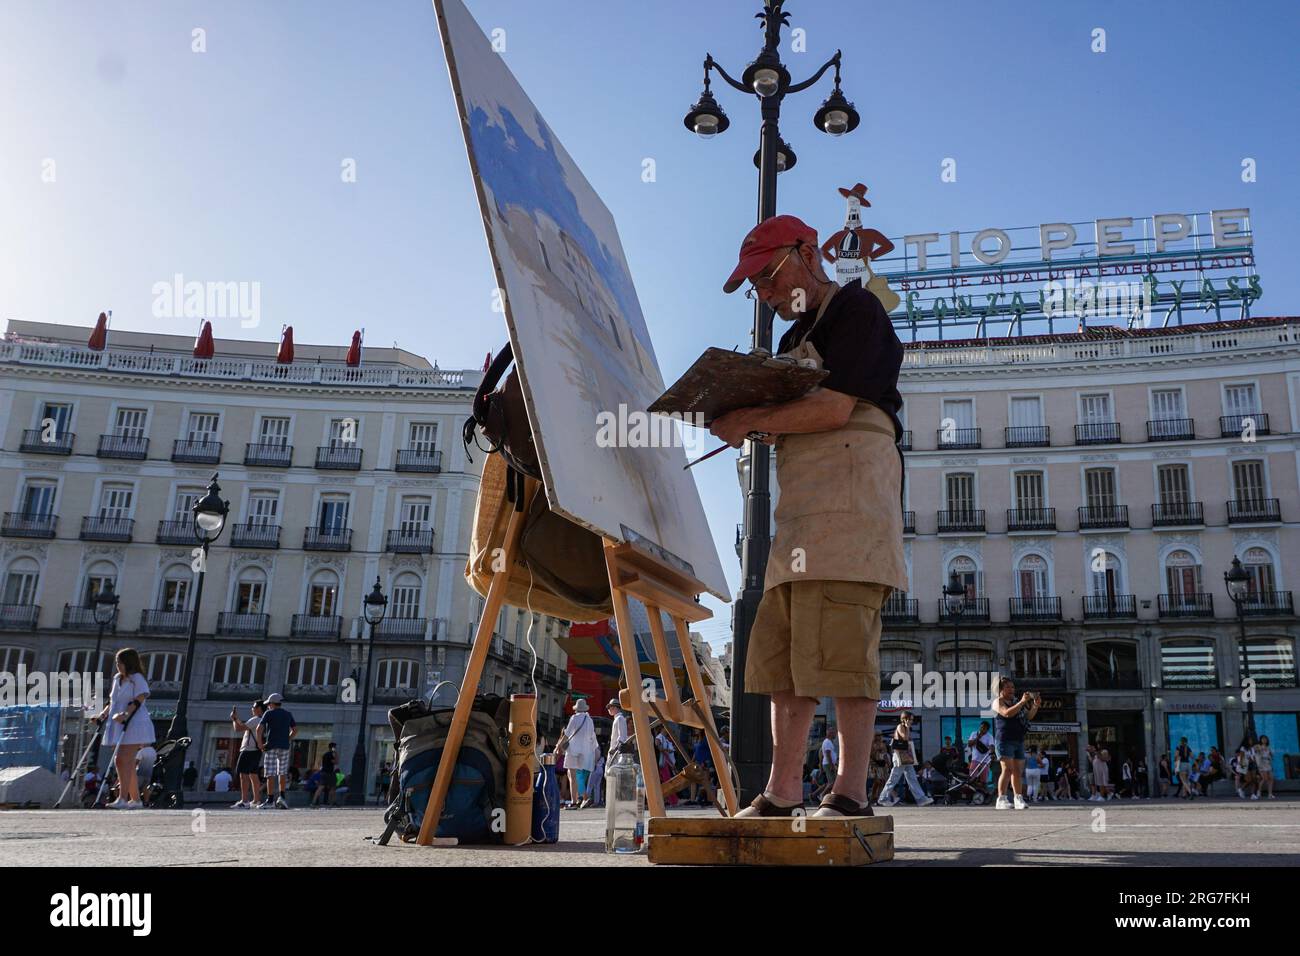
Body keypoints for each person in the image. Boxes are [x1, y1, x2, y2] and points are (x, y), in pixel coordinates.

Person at [713, 215, 907, 820]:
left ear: (806, 253)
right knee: (781, 654)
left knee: (847, 648)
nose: (765, 294)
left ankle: (850, 793)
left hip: (850, 498)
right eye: (756, 286)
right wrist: (751, 419)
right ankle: (781, 790)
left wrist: (747, 421)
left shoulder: (856, 310)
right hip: (803, 508)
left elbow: (836, 408)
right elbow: (799, 419)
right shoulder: (788, 342)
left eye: (767, 277)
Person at [96, 648, 155, 810]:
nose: (118, 665)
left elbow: (140, 697)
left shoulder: (137, 678)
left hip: (134, 723)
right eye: (116, 662)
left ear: (128, 663)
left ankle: (123, 798)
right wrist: (102, 715)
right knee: (125, 762)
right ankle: (135, 800)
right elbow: (113, 701)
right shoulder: (117, 679)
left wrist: (126, 714)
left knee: (122, 760)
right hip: (117, 722)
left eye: (120, 662)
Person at [991, 678, 1038, 810]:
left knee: (1018, 771)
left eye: (1012, 687)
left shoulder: (1016, 702)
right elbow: (1006, 713)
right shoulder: (997, 702)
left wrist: (1035, 706)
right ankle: (1001, 799)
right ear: (1000, 689)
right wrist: (1022, 702)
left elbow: (1027, 716)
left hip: (1018, 739)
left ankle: (1018, 798)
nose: (1012, 690)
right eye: (1008, 687)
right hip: (1004, 740)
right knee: (1007, 769)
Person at [877, 712, 934, 808]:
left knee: (912, 779)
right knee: (893, 779)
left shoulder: (904, 727)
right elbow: (905, 738)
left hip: (905, 758)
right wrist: (907, 728)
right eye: (910, 719)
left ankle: (921, 799)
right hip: (900, 757)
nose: (912, 721)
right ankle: (883, 799)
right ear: (905, 719)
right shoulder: (900, 726)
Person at [255, 693, 297, 809]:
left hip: (271, 746)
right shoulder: (288, 714)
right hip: (284, 747)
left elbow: (259, 729)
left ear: (272, 704)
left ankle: (270, 800)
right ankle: (282, 798)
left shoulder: (269, 713)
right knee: (282, 773)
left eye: (268, 704)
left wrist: (259, 744)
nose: (268, 706)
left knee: (270, 773)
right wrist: (287, 738)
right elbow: (295, 730)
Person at [558, 699, 597, 810]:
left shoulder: (574, 718)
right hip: (585, 751)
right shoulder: (589, 720)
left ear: (576, 709)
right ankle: (580, 798)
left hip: (573, 750)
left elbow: (567, 734)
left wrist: (559, 746)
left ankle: (575, 801)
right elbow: (592, 736)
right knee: (576, 776)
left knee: (572, 775)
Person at [230, 700, 266, 809]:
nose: (252, 709)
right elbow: (243, 726)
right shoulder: (262, 720)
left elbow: (238, 728)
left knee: (243, 775)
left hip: (248, 750)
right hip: (256, 750)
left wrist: (234, 719)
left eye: (254, 707)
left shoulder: (255, 719)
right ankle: (256, 800)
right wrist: (236, 719)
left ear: (259, 709)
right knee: (253, 775)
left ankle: (244, 800)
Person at [312, 743, 338, 807]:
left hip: (324, 772)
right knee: (333, 787)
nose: (335, 748)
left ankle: (313, 802)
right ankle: (333, 802)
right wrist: (336, 754)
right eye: (334, 747)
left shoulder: (325, 754)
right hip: (329, 773)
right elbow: (336, 762)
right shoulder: (330, 755)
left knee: (320, 787)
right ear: (332, 748)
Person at [868, 734, 890, 804]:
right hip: (875, 764)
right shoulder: (872, 744)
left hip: (882, 764)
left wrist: (888, 764)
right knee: (877, 782)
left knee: (882, 782)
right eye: (877, 735)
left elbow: (885, 754)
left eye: (880, 735)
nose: (879, 737)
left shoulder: (883, 744)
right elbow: (870, 755)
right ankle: (873, 797)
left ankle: (879, 797)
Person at [819, 725, 839, 791]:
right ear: (830, 733)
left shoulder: (829, 742)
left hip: (828, 764)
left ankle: (816, 795)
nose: (835, 735)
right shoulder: (827, 742)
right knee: (832, 782)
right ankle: (822, 795)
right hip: (828, 764)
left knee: (831, 782)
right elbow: (828, 754)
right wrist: (831, 765)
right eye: (834, 733)